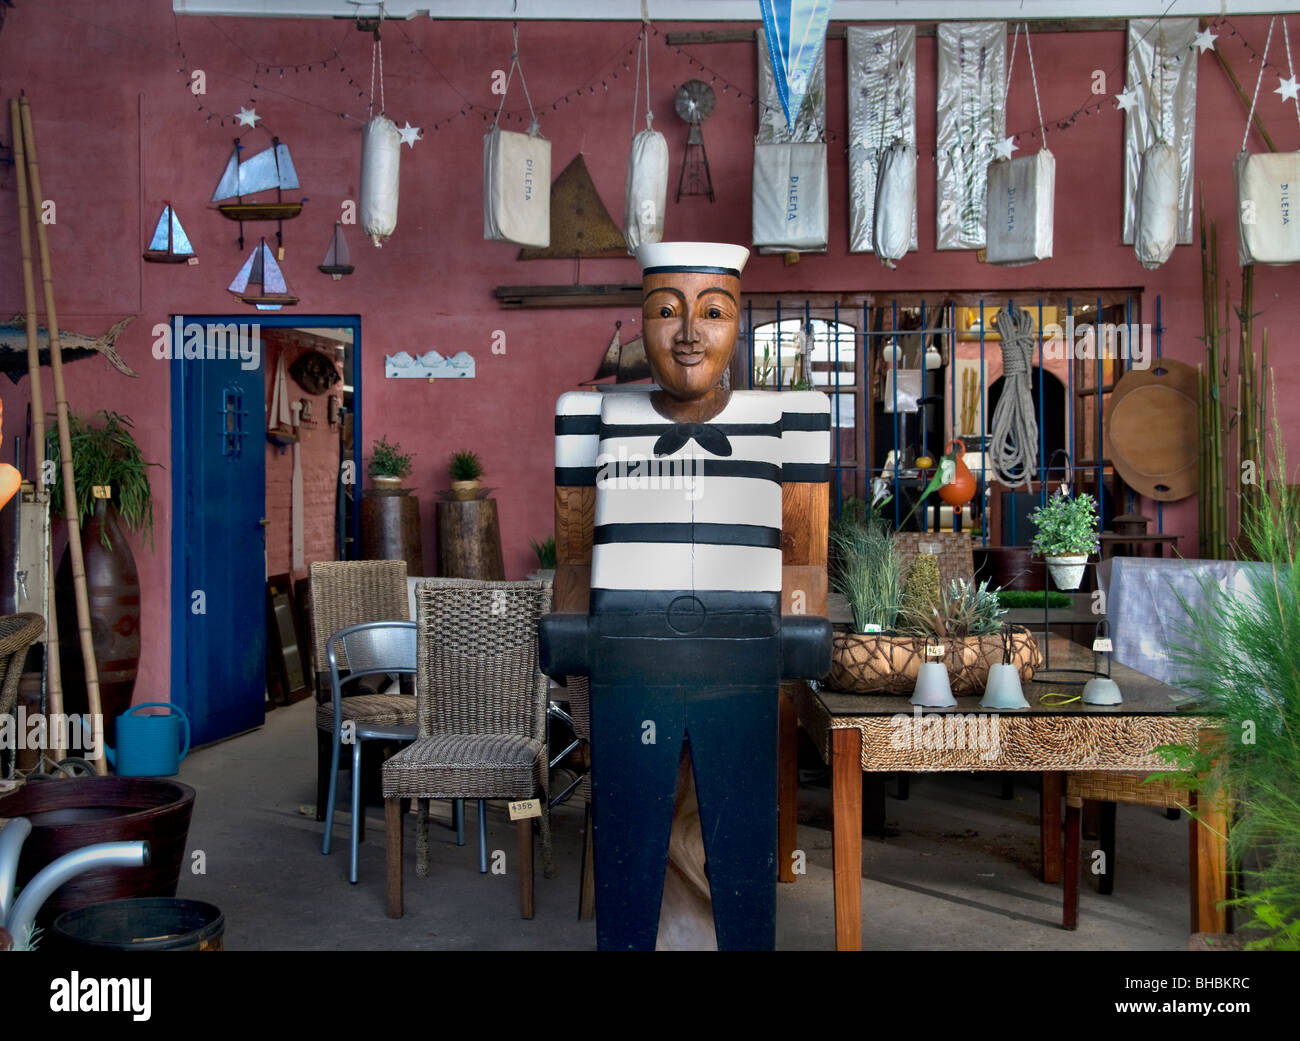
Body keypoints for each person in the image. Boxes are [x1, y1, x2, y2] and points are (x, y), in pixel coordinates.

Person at [541, 242, 831, 951]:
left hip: (742, 661)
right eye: (666, 311)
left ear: (738, 324)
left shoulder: (794, 417)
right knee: (632, 827)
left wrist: (801, 630)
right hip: (629, 658)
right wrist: (571, 632)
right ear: (641, 323)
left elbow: (806, 559)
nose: (690, 334)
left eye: (713, 311)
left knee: (737, 824)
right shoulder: (588, 415)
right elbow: (575, 554)